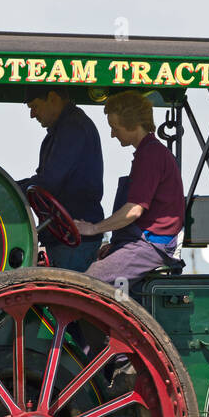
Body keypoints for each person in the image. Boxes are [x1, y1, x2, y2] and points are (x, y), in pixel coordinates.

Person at [75, 91, 185, 288]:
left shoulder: (151, 155)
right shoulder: (148, 152)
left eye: (115, 128)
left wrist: (93, 228)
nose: (112, 134)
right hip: (143, 241)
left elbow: (134, 210)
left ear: (133, 124)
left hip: (152, 245)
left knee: (87, 283)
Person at [20, 86, 103, 271]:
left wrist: (9, 189)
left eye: (34, 106)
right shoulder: (62, 130)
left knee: (68, 294)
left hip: (73, 237)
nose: (32, 115)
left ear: (52, 98)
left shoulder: (73, 128)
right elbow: (44, 180)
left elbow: (48, 183)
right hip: (63, 234)